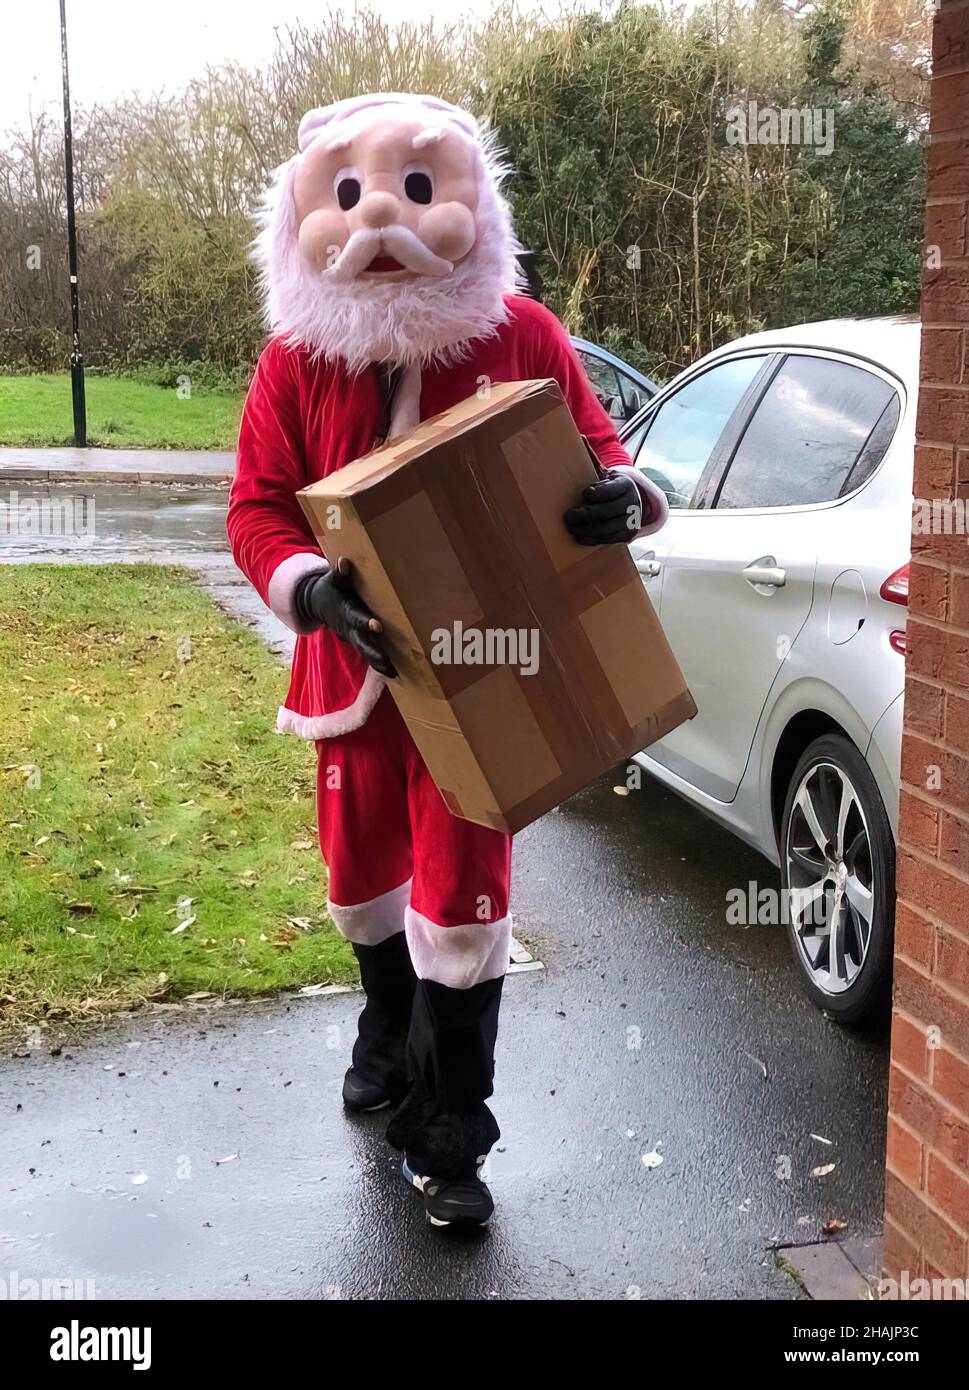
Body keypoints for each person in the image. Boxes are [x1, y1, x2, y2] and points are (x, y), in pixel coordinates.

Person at [227, 92, 668, 1229]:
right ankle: (385, 1028)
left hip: (490, 682)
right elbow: (257, 509)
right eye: (353, 194)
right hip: (355, 687)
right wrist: (310, 590)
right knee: (363, 893)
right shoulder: (292, 365)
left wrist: (623, 498)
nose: (383, 219)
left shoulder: (524, 337)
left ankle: (448, 1136)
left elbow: (601, 448)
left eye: (420, 189)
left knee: (463, 906)